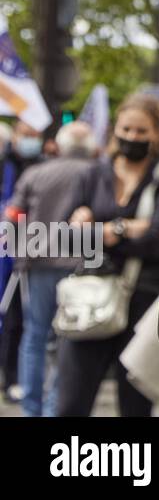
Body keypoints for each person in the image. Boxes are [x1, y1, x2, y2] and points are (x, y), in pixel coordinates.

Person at [54, 95, 159, 416]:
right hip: (90, 300)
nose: (133, 137)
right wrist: (123, 229)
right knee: (70, 403)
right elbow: (64, 237)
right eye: (127, 129)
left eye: (142, 131)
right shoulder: (93, 175)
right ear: (115, 130)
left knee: (135, 406)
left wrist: (95, 230)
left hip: (143, 303)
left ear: (156, 134)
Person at [6, 121, 97, 415]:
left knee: (35, 334)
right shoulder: (97, 174)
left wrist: (21, 253)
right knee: (67, 341)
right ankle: (52, 406)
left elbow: (13, 217)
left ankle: (31, 408)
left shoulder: (36, 173)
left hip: (39, 261)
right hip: (81, 263)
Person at [0, 118, 46, 402]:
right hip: (6, 251)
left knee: (24, 320)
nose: (31, 139)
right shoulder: (5, 165)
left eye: (35, 134)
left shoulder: (41, 165)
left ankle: (18, 379)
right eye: (26, 134)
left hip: (30, 252)